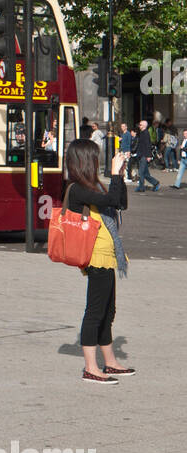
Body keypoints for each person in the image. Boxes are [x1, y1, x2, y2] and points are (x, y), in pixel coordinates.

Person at [63, 139, 132, 383]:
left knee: (108, 310)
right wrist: (114, 175)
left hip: (107, 254)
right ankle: (91, 367)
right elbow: (112, 201)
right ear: (84, 161)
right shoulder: (79, 189)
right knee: (94, 312)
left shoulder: (92, 186)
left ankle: (110, 362)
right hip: (94, 255)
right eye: (94, 157)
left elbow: (120, 202)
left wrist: (119, 176)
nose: (97, 161)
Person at [133, 119, 160, 192]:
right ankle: (156, 183)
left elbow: (148, 145)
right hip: (140, 155)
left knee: (141, 172)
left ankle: (141, 187)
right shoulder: (141, 133)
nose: (139, 126)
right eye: (139, 124)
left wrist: (149, 156)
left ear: (144, 126)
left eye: (141, 125)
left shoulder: (146, 133)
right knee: (145, 174)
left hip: (144, 155)